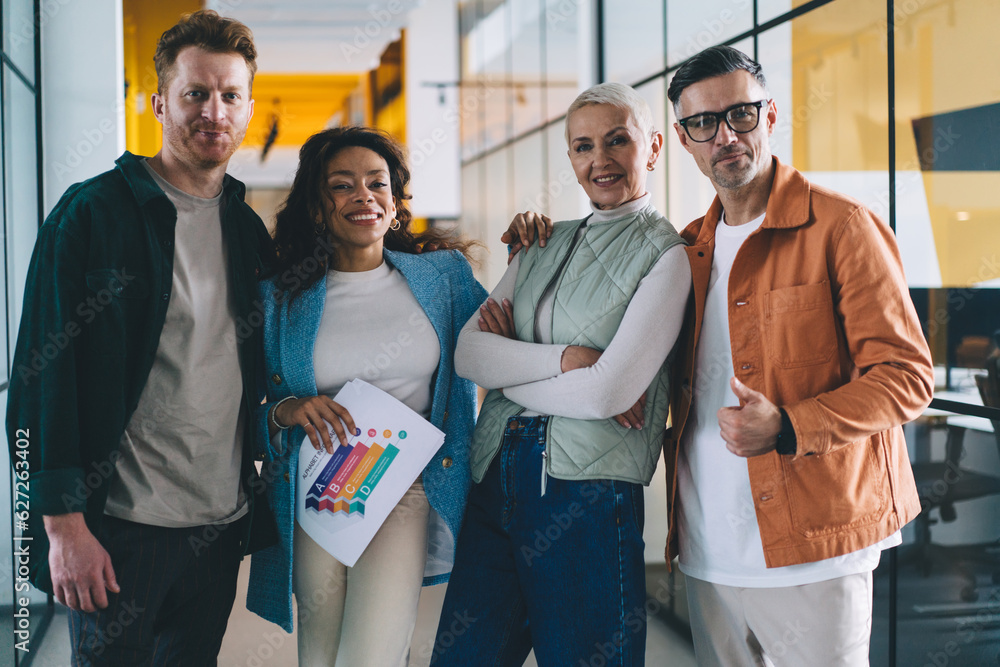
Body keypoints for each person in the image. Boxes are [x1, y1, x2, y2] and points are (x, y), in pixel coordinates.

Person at [5, 10, 278, 665]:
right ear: (159, 102)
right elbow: (40, 380)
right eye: (195, 93)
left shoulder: (247, 234)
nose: (213, 111)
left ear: (247, 110)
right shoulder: (92, 213)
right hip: (117, 530)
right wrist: (62, 525)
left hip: (218, 525)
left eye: (230, 96)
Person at [663, 45, 934, 665]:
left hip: (817, 546)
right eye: (704, 123)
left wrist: (788, 424)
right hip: (708, 549)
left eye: (741, 114)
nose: (725, 135)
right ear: (684, 140)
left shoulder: (842, 227)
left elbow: (906, 376)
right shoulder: (686, 249)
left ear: (772, 114)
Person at [432, 82, 691, 667]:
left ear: (651, 148)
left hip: (584, 491)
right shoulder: (541, 242)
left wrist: (512, 375)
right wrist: (567, 360)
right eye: (583, 146)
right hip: (496, 473)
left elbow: (608, 393)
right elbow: (469, 355)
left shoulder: (666, 255)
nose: (600, 159)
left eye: (617, 140)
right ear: (571, 158)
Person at [246, 126, 487, 666]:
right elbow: (244, 409)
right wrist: (285, 411)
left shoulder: (442, 279)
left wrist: (534, 248)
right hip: (316, 487)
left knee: (372, 655)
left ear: (395, 203)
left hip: (405, 487)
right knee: (321, 654)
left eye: (377, 183)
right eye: (341, 185)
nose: (363, 195)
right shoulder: (280, 298)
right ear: (315, 206)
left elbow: (505, 333)